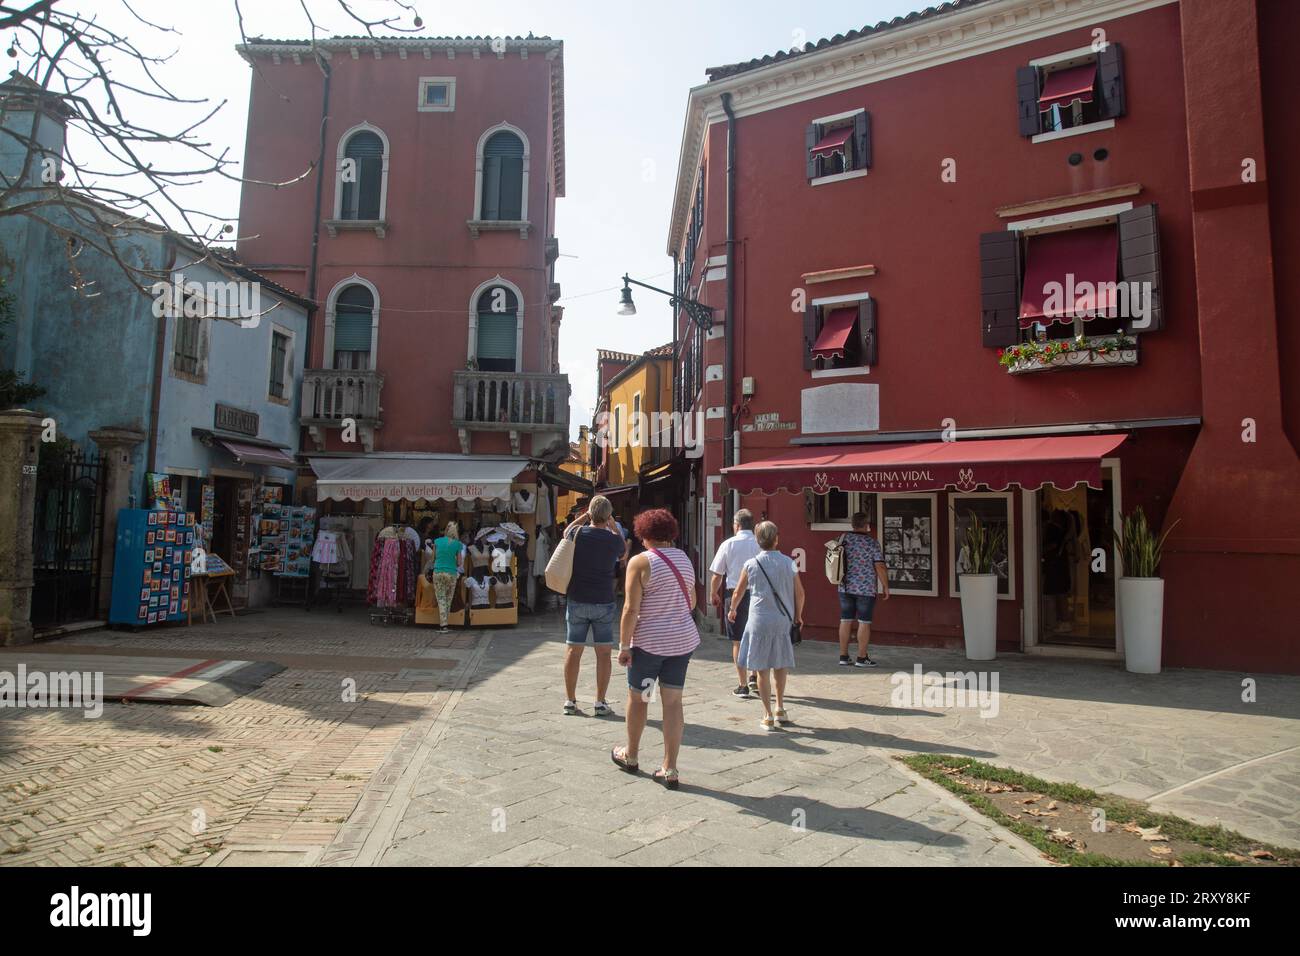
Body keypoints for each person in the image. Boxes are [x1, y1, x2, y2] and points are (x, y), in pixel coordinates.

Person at [611, 508, 699, 790]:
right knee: (672, 702)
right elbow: (692, 603)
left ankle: (632, 754)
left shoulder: (640, 562)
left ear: (643, 533)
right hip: (681, 643)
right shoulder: (684, 559)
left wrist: (625, 645)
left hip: (649, 646)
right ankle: (670, 768)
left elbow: (630, 608)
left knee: (640, 698)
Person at [730, 521, 802, 731]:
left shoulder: (751, 564)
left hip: (759, 619)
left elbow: (738, 592)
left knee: (761, 669)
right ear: (776, 539)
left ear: (757, 540)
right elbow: (800, 592)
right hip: (782, 619)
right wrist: (798, 615)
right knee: (780, 664)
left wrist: (733, 609)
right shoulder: (789, 562)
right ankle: (780, 706)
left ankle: (767, 714)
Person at [561, 496, 626, 716]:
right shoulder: (613, 539)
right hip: (603, 601)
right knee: (604, 653)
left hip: (577, 598)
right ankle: (599, 702)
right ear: (608, 517)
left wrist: (583, 517)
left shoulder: (577, 533)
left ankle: (570, 700)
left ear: (589, 513)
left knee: (573, 650)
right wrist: (613, 524)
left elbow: (565, 532)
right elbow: (624, 550)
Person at [709, 508, 762, 698]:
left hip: (734, 596)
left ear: (736, 525)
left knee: (738, 640)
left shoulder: (728, 544)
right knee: (755, 637)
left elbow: (717, 574)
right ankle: (754, 676)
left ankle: (742, 685)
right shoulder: (760, 543)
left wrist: (713, 593)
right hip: (758, 596)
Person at [837, 511, 889, 666]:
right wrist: (885, 585)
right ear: (866, 525)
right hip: (865, 589)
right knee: (864, 622)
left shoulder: (843, 539)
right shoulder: (871, 543)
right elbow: (879, 565)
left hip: (844, 587)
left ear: (853, 524)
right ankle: (861, 657)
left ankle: (843, 656)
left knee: (845, 620)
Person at [428, 521, 465, 632]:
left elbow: (433, 559)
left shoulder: (437, 541)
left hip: (438, 572)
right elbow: (459, 563)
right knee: (448, 599)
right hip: (451, 573)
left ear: (446, 530)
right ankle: (445, 624)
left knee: (441, 598)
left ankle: (443, 625)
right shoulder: (458, 544)